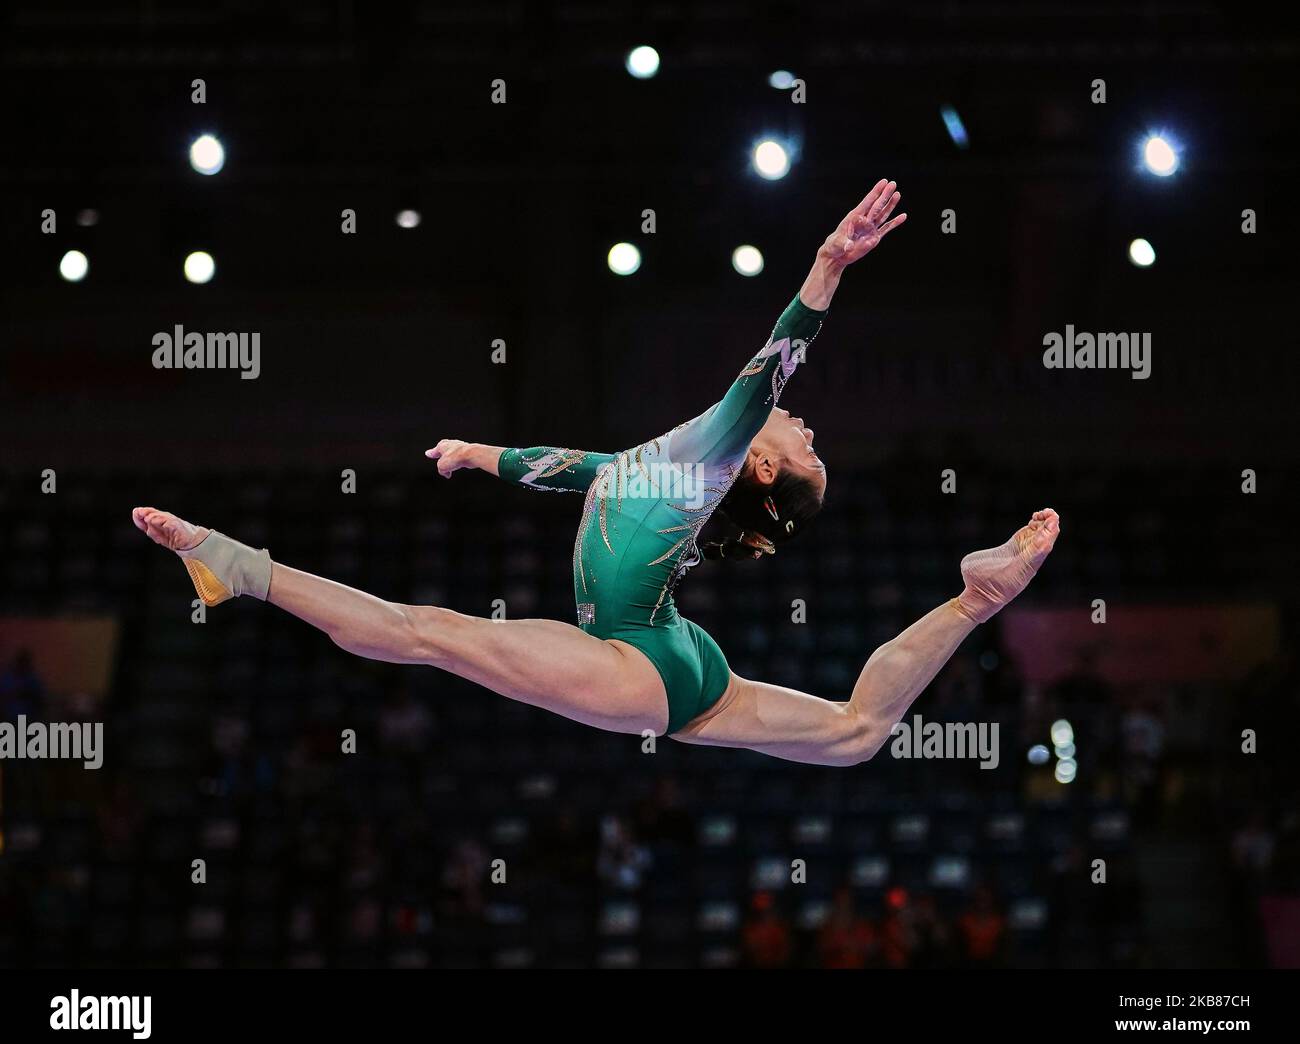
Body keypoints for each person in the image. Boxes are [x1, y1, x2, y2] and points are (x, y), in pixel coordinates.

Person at [132, 179, 1061, 767]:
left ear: (765, 463)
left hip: (637, 659)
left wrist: (824, 268)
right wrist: (480, 455)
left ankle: (234, 563)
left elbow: (779, 358)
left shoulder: (725, 446)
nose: (807, 424)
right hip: (675, 655)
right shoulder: (673, 471)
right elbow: (577, 470)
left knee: (428, 633)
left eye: (806, 444)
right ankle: (973, 602)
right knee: (856, 733)